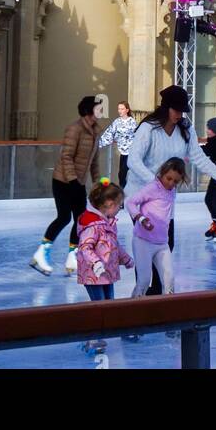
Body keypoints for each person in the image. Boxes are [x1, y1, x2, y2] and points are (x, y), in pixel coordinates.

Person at [125, 86, 216, 295]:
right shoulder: (148, 129)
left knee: (165, 246)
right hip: (142, 197)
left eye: (182, 110)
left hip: (166, 200)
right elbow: (133, 160)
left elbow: (199, 159)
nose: (179, 115)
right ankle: (144, 295)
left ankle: (160, 294)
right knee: (146, 249)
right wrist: (156, 183)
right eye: (176, 110)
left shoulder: (186, 129)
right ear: (166, 108)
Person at [30, 96, 101, 276]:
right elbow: (66, 156)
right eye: (98, 108)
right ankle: (41, 253)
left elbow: (94, 162)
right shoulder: (74, 129)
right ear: (89, 110)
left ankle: (73, 257)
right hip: (63, 181)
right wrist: (73, 180)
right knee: (64, 217)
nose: (101, 111)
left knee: (80, 220)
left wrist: (98, 184)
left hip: (78, 183)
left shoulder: (95, 132)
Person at [128, 158, 187, 297]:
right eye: (169, 178)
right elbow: (130, 202)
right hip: (143, 241)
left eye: (176, 181)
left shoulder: (172, 191)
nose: (171, 183)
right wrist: (140, 218)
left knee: (169, 279)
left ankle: (168, 311)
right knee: (144, 280)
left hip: (162, 243)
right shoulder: (152, 188)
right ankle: (133, 309)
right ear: (162, 172)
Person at [76, 179, 134, 300]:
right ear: (109, 203)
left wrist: (125, 258)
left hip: (107, 272)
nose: (120, 208)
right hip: (93, 273)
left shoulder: (109, 222)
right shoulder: (92, 224)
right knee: (100, 305)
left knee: (109, 304)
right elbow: (85, 247)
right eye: (120, 205)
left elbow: (114, 244)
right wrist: (96, 263)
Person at [98, 101, 138, 190]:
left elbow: (138, 136)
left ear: (127, 110)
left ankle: (126, 194)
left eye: (122, 109)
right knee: (121, 175)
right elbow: (109, 133)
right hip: (122, 153)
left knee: (126, 174)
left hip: (131, 153)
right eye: (119, 109)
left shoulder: (132, 122)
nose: (120, 111)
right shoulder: (117, 122)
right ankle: (122, 196)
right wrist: (98, 144)